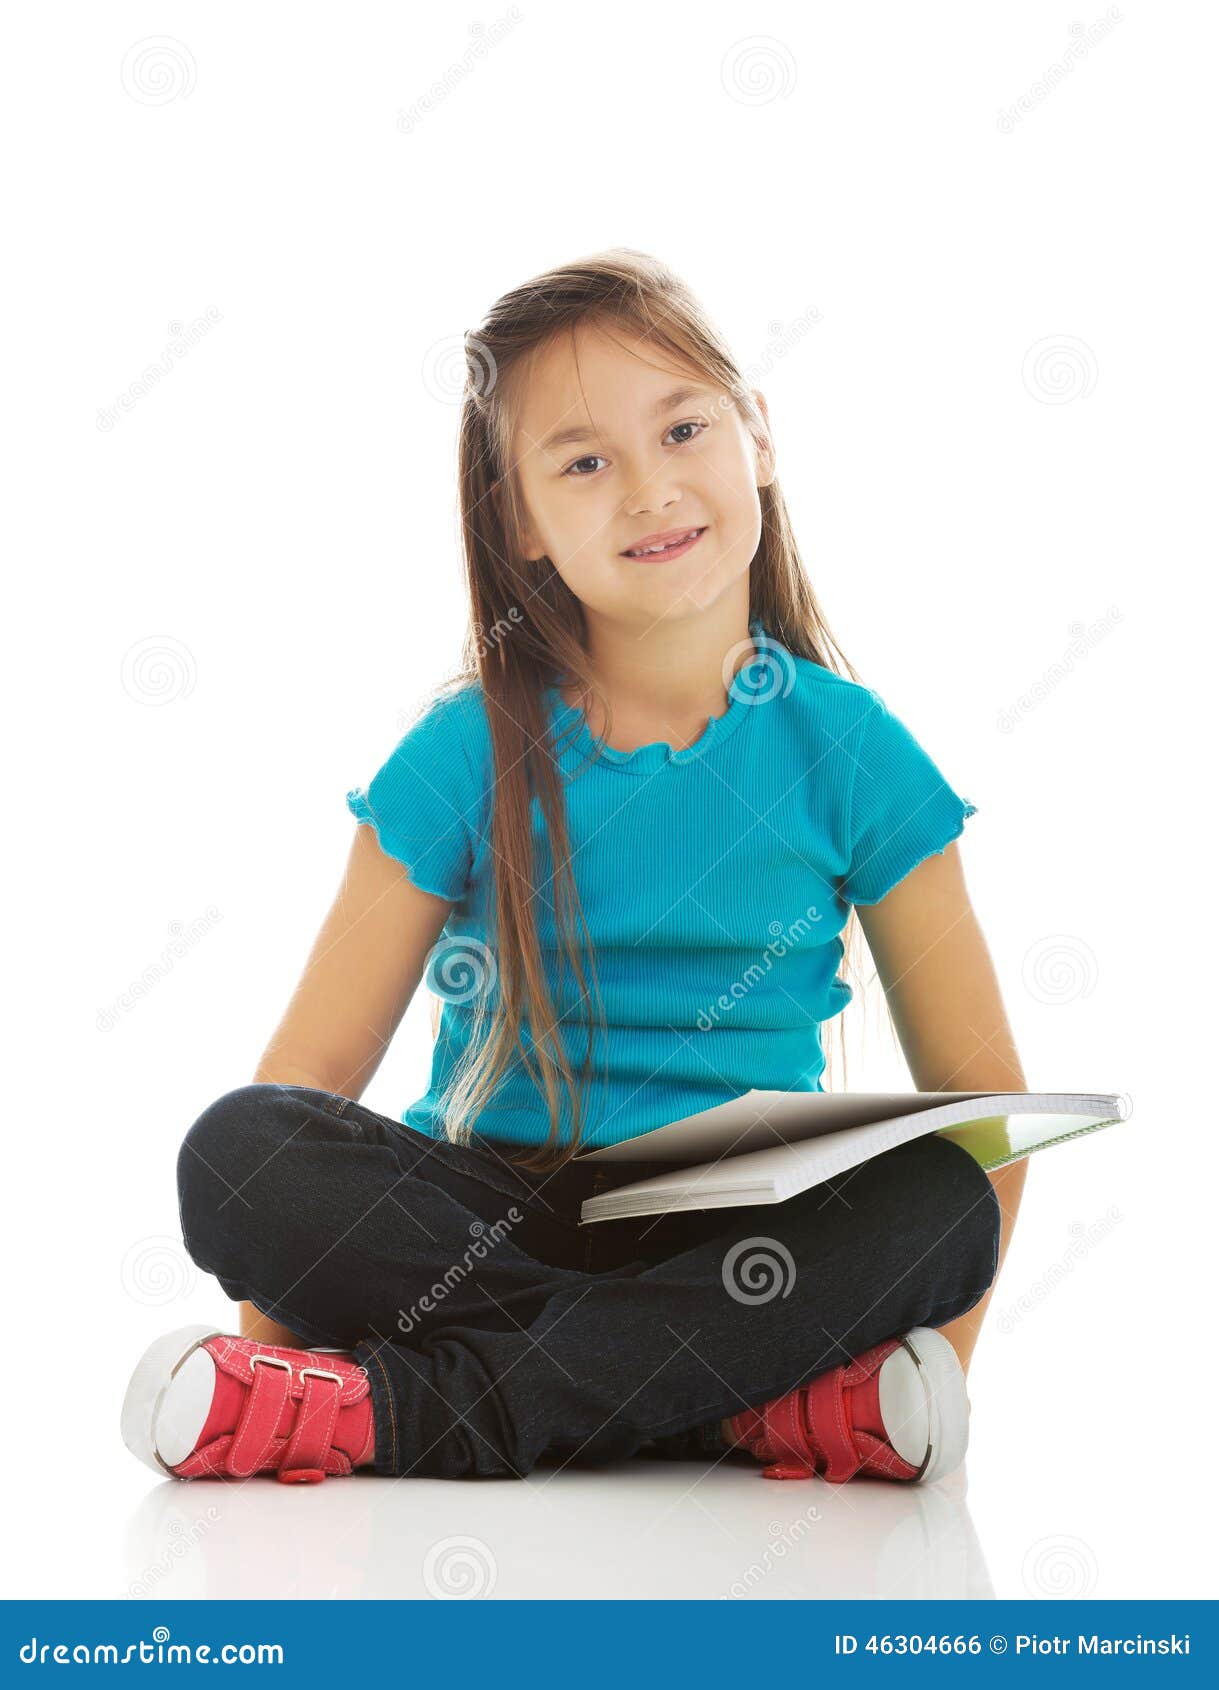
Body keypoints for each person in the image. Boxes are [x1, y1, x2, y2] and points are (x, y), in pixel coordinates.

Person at [120, 249, 1028, 1489]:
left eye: (684, 427)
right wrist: (267, 1359)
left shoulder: (852, 753)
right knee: (238, 1148)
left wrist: (936, 1383)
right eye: (584, 462)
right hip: (481, 1220)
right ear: (520, 523)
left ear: (757, 436)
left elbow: (982, 1103)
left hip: (726, 1237)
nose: (649, 489)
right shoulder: (466, 748)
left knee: (947, 1187)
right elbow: (310, 1079)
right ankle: (714, 1404)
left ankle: (409, 1414)